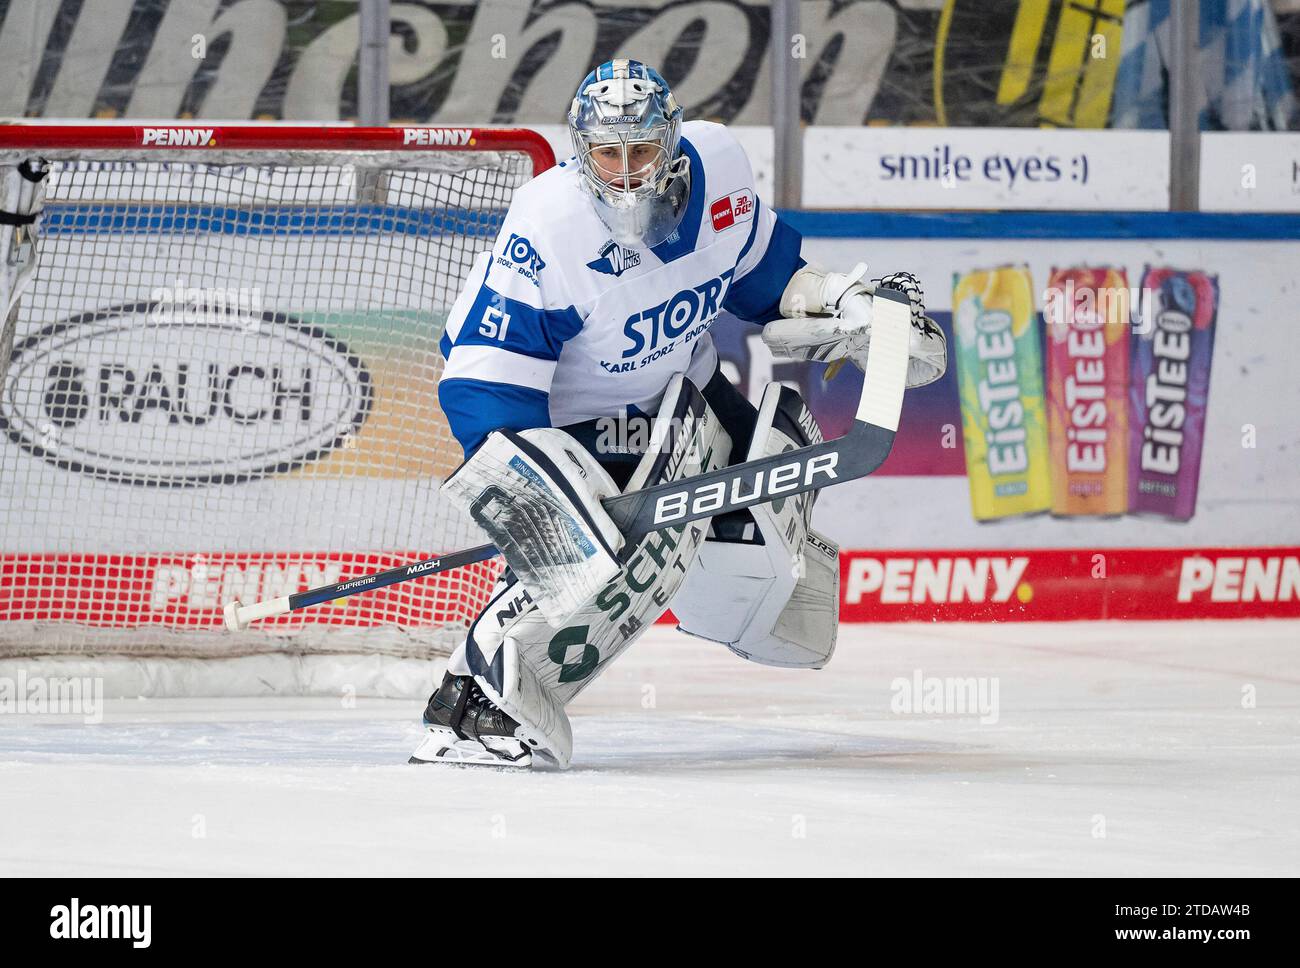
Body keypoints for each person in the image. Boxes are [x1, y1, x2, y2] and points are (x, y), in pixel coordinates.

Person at [412, 58, 946, 767]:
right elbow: (485, 378)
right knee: (605, 560)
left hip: (683, 392)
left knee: (768, 523)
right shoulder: (550, 224)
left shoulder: (720, 167)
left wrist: (846, 306)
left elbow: (766, 280)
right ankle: (471, 704)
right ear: (580, 151)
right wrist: (542, 496)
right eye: (608, 152)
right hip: (575, 419)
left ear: (671, 141)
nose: (628, 172)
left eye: (643, 151)